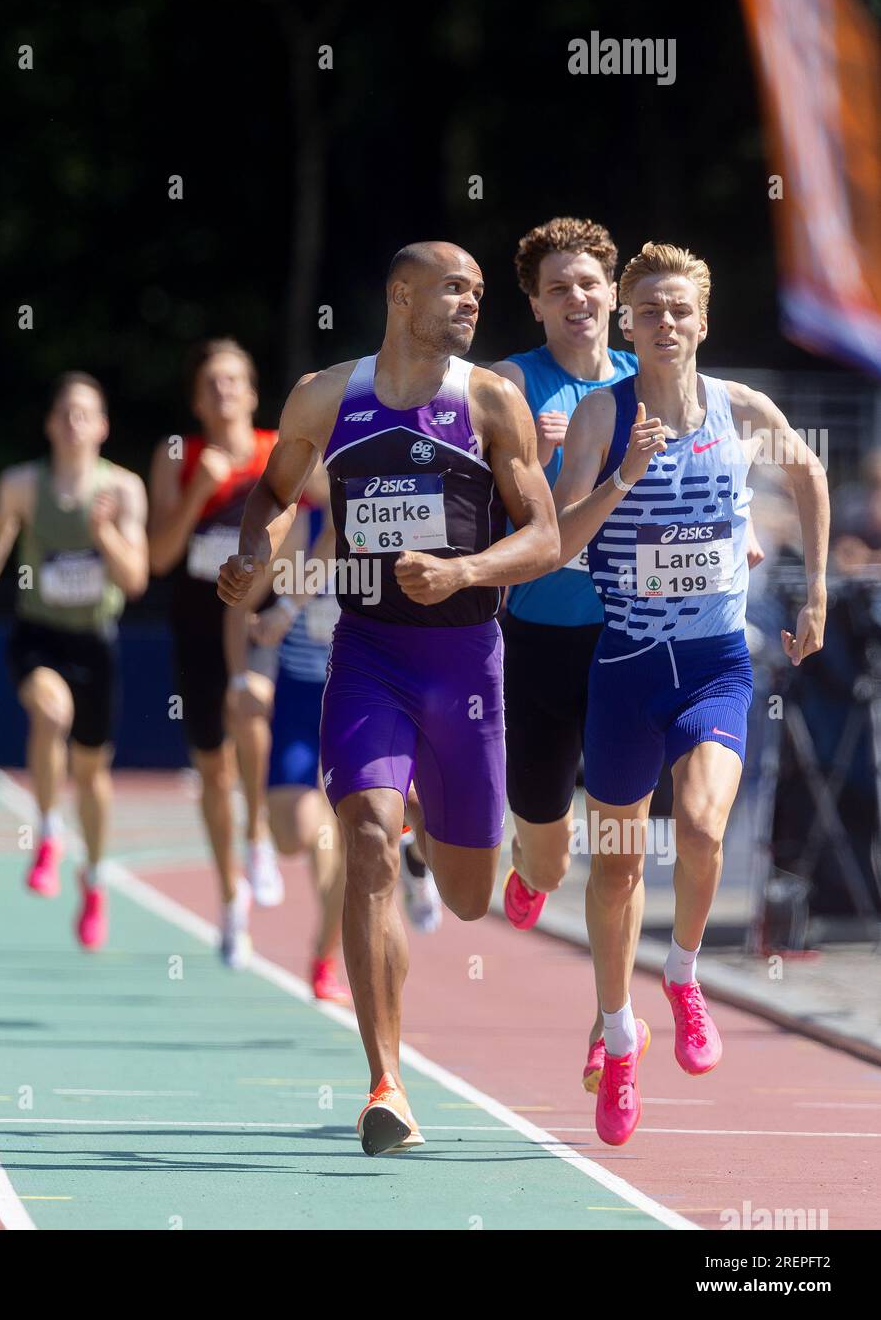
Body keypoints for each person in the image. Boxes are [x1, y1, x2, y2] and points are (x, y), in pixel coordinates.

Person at [219, 241, 560, 1155]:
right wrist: (256, 552)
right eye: (455, 289)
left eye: (480, 293)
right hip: (368, 653)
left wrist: (464, 573)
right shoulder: (324, 396)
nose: (472, 304)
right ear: (400, 295)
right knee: (364, 833)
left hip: (468, 666)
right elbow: (274, 495)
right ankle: (386, 1081)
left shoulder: (490, 400)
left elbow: (546, 538)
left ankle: (428, 847)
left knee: (469, 897)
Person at [553, 242, 829, 1145]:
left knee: (706, 826)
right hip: (626, 674)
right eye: (648, 312)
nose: (664, 324)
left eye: (679, 310)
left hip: (716, 661)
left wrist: (817, 589)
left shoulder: (739, 410)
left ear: (703, 321)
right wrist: (626, 471)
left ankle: (681, 972)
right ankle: (621, 1037)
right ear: (627, 326)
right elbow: (560, 539)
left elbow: (811, 476)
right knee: (620, 863)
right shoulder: (602, 415)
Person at [490, 217, 638, 1092]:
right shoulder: (511, 384)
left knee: (620, 856)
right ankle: (530, 864)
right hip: (537, 639)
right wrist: (538, 459)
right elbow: (477, 510)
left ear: (613, 294)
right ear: (536, 305)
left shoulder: (646, 381)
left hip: (631, 641)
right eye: (558, 288)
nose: (576, 299)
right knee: (551, 855)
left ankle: (610, 1030)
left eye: (589, 283)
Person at [0, 372, 148, 949]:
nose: (73, 423)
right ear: (49, 424)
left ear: (103, 427)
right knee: (50, 713)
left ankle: (93, 881)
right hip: (39, 634)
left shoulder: (125, 490)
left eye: (85, 413)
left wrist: (104, 532)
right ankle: (46, 832)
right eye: (64, 412)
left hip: (95, 641)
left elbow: (135, 580)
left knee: (91, 776)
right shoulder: (21, 485)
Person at [148, 339, 284, 966]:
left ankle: (257, 835)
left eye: (235, 379)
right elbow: (158, 557)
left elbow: (315, 523)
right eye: (211, 382)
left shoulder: (277, 449)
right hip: (197, 621)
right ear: (197, 398)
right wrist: (196, 494)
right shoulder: (178, 455)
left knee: (251, 706)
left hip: (258, 616)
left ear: (252, 392)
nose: (224, 391)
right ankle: (231, 895)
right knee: (212, 769)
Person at [239, 493, 350, 1001]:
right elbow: (243, 606)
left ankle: (325, 957)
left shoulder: (392, 513)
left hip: (364, 695)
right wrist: (247, 674)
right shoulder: (297, 527)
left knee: (360, 841)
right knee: (295, 833)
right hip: (302, 695)